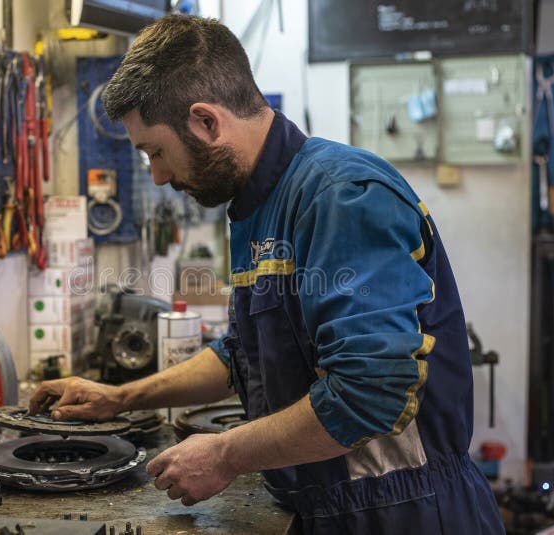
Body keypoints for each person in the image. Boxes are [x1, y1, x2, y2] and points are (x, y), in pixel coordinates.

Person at [29, 14, 504, 534]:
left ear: (206, 122)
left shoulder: (340, 197)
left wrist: (226, 454)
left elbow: (369, 393)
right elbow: (243, 354)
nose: (159, 176)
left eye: (156, 152)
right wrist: (122, 397)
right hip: (327, 507)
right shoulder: (260, 205)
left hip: (401, 513)